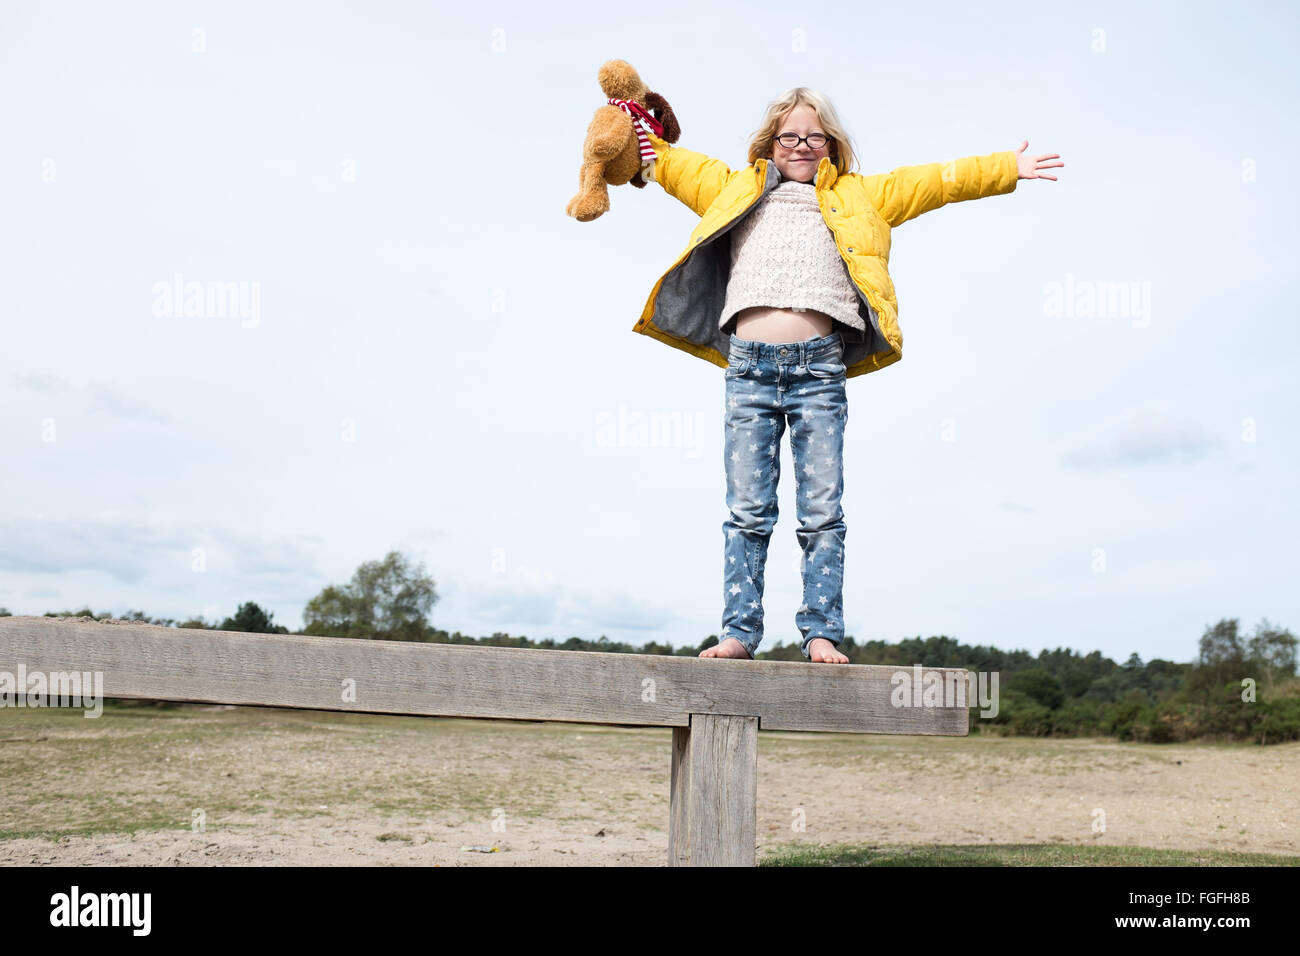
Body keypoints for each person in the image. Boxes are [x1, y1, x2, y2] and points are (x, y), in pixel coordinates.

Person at [638, 88, 1062, 664]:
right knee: (747, 510)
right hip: (749, 371)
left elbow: (936, 181)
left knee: (821, 510)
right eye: (789, 136)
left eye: (815, 137)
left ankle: (820, 632)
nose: (802, 146)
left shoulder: (861, 195)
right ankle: (739, 632)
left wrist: (1006, 167)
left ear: (831, 144)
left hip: (819, 370)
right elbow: (672, 165)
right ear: (769, 144)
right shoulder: (733, 187)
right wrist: (641, 142)